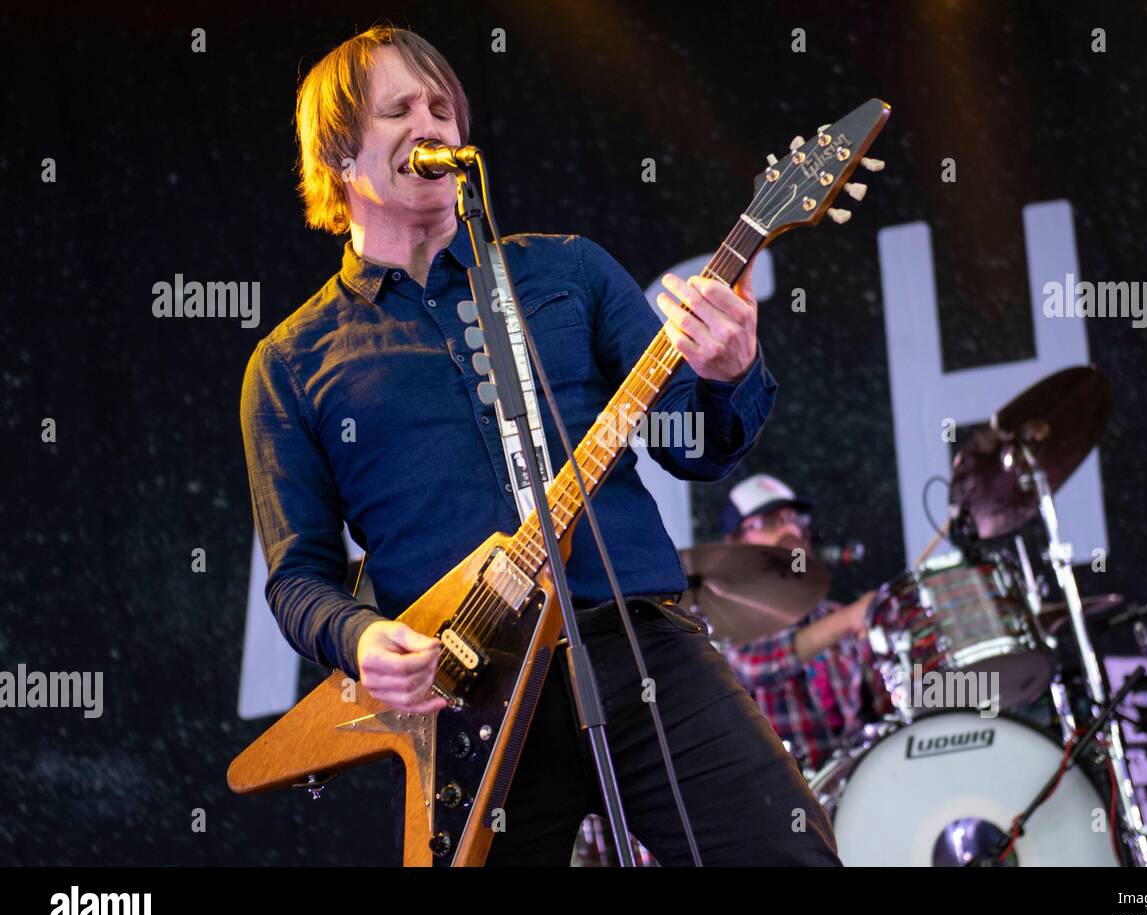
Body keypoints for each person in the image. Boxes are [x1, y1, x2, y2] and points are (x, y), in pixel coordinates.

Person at [240, 24, 838, 866]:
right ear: (340, 157)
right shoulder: (292, 363)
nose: (433, 122)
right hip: (473, 710)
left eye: (442, 105)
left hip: (637, 649)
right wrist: (361, 639)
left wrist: (730, 371)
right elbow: (300, 575)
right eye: (400, 108)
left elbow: (692, 446)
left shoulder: (569, 272)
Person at [720, 474, 879, 771]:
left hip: (855, 790)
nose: (791, 529)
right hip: (775, 802)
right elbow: (754, 665)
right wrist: (848, 620)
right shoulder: (723, 620)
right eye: (769, 522)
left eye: (795, 520)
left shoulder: (835, 615)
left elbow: (884, 704)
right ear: (734, 545)